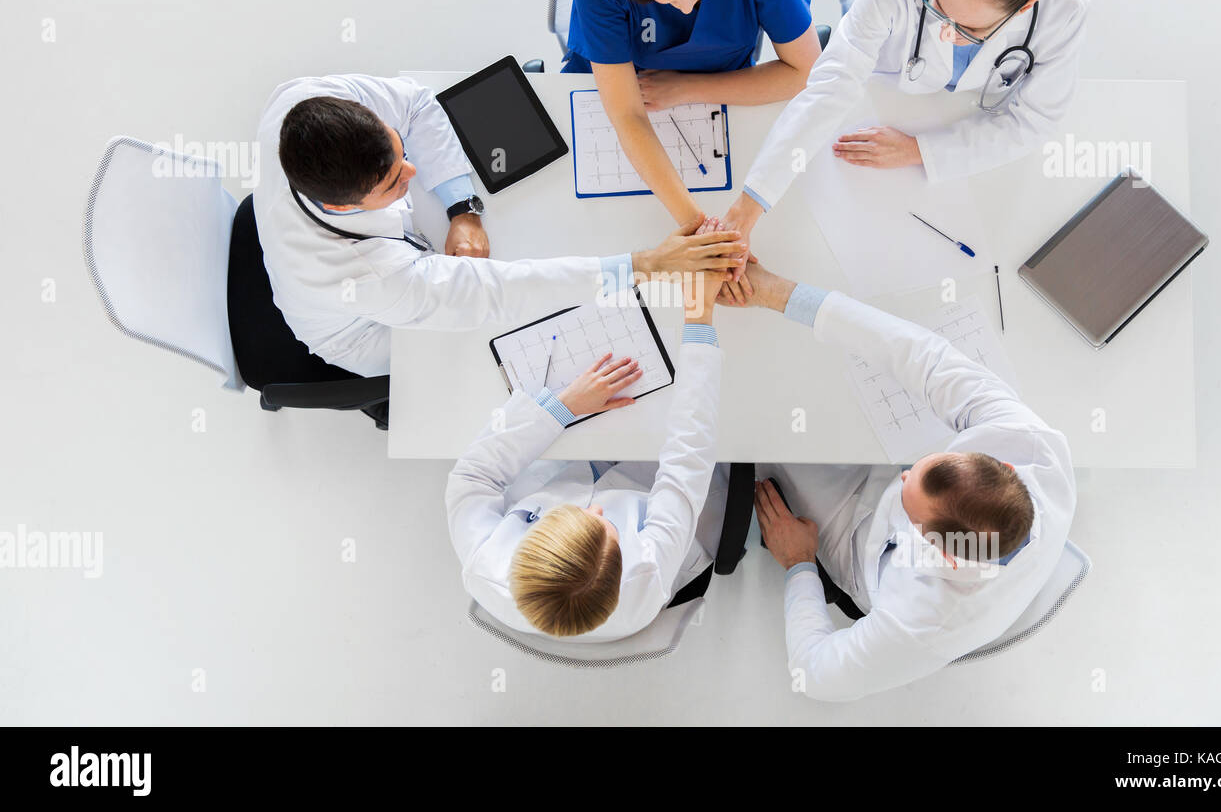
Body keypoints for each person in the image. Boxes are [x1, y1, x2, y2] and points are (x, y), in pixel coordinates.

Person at [252, 74, 746, 377]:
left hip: (380, 267)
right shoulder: (365, 275)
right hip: (364, 331)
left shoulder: (305, 100)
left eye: (401, 150)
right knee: (495, 338)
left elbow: (419, 105)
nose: (413, 172)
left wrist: (462, 208)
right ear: (343, 208)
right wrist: (649, 263)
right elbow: (499, 292)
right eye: (392, 182)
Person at [739, 259, 1077, 700]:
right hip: (919, 516)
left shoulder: (919, 622)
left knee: (755, 428)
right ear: (1003, 467)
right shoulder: (1033, 448)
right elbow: (923, 356)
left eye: (911, 509)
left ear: (942, 555)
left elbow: (814, 673)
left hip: (857, 545)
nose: (901, 483)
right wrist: (781, 293)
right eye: (922, 470)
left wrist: (799, 564)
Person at [720, 0, 1090, 298]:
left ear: (1024, 10)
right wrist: (752, 201)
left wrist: (921, 151)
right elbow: (832, 85)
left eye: (969, 30)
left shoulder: (1063, 7)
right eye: (939, 8)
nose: (947, 32)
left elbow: (1036, 120)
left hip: (969, 125)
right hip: (887, 89)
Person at [444, 267, 727, 641]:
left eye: (566, 516)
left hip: (558, 468)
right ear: (622, 563)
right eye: (606, 525)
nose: (594, 509)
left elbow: (473, 475)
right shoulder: (647, 572)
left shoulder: (484, 559)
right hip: (645, 485)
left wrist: (562, 407)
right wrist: (699, 317)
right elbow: (688, 458)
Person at [563, 0, 821, 232]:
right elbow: (626, 113)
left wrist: (687, 89)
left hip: (724, 90)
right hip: (621, 95)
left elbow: (806, 71)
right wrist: (696, 225)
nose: (685, 7)